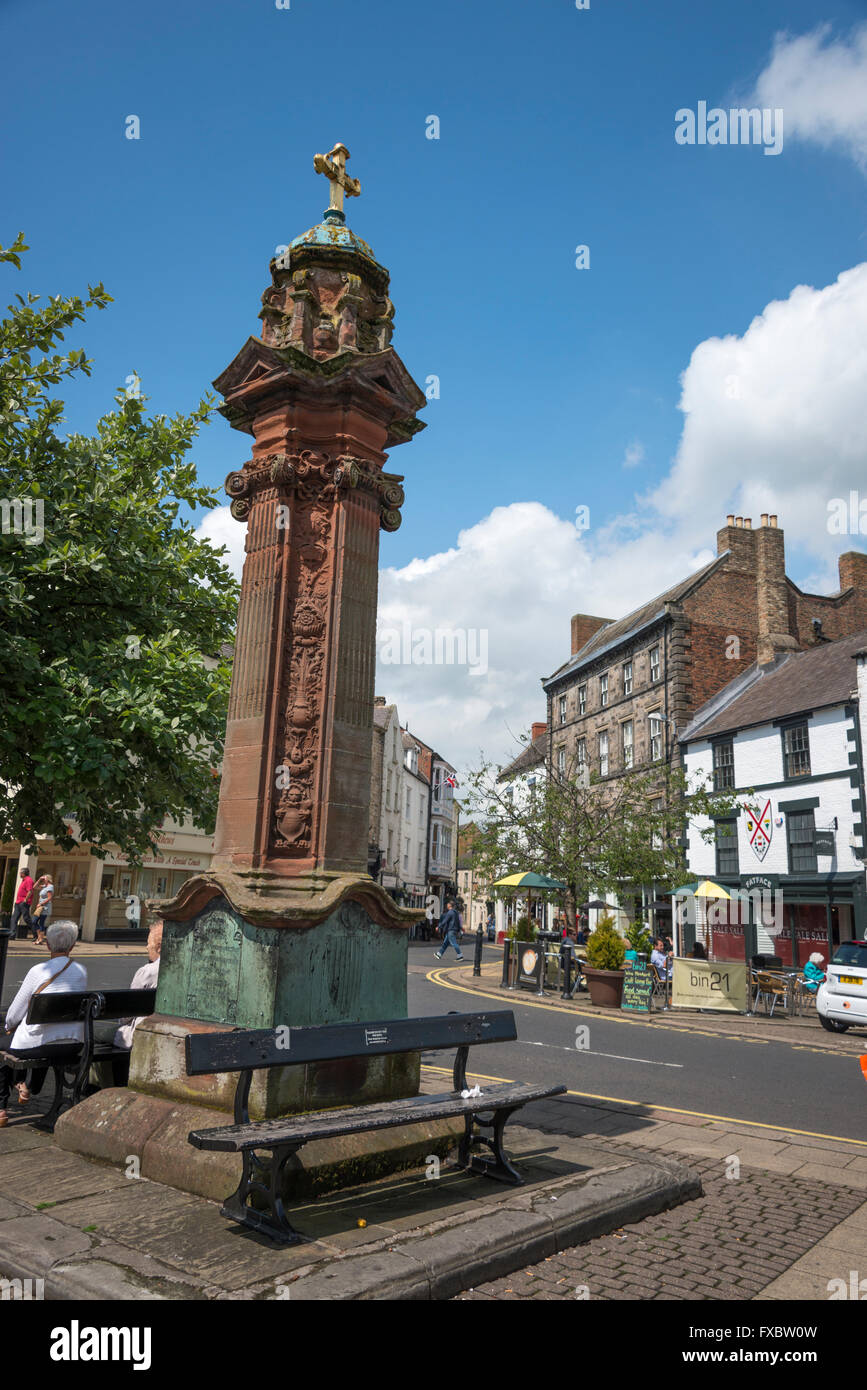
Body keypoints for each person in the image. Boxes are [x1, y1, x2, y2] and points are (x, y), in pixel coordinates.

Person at [0, 921, 87, 1127]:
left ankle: (1, 1107)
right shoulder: (81, 971)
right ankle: (27, 1085)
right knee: (43, 1036)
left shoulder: (38, 971)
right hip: (72, 1044)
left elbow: (14, 1014)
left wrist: (8, 1027)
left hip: (38, 1045)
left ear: (47, 944)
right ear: (72, 946)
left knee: (6, 1043)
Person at [11, 868, 34, 939]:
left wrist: (25, 900)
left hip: (23, 903)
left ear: (23, 873)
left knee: (26, 918)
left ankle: (36, 933)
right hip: (18, 902)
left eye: (20, 873)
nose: (19, 874)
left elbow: (30, 891)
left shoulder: (29, 880)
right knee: (14, 919)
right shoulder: (24, 880)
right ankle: (12, 935)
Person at [30, 874, 54, 945]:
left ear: (48, 879)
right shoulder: (44, 886)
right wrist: (39, 879)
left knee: (41, 923)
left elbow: (49, 898)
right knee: (34, 921)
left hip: (44, 907)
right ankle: (39, 938)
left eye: (44, 879)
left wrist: (41, 904)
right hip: (40, 907)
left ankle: (40, 939)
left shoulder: (50, 887)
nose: (43, 880)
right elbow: (34, 887)